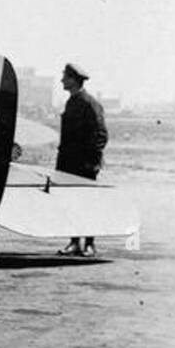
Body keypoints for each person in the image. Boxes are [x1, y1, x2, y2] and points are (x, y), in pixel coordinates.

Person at [55, 63, 108, 257]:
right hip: (69, 165)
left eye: (65, 77)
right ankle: (75, 242)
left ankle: (90, 244)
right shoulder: (73, 102)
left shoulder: (89, 103)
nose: (62, 80)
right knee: (71, 204)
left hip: (84, 166)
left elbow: (101, 135)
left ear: (73, 79)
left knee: (87, 204)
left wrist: (92, 163)